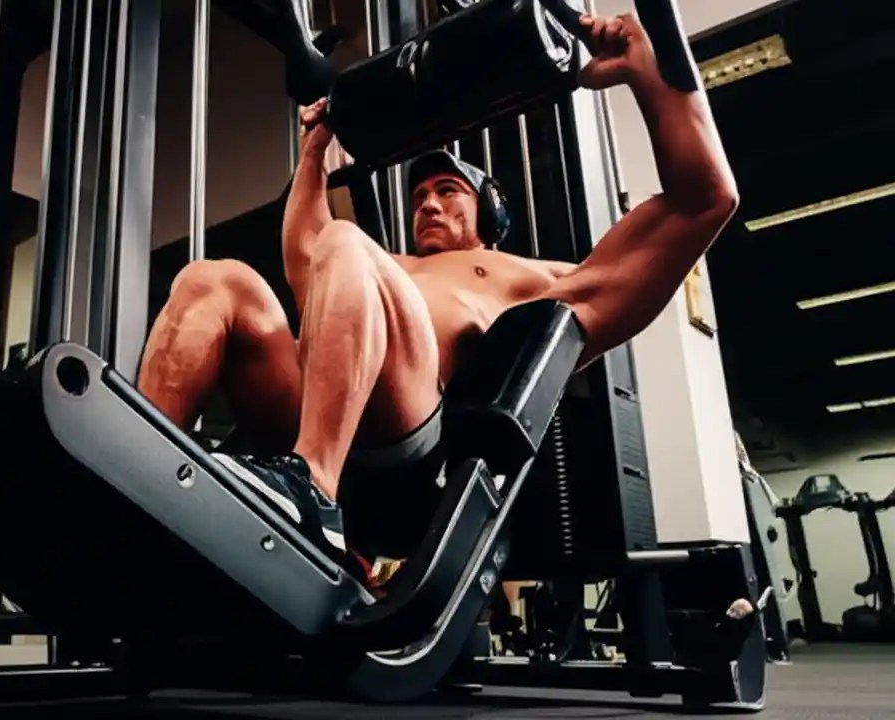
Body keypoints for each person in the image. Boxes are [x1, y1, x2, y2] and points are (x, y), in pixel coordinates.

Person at [136, 13, 739, 562]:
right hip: (309, 405)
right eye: (421, 194)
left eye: (449, 192)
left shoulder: (533, 277)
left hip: (403, 447)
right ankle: (136, 487)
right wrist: (316, 148)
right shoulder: (386, 263)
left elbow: (702, 203)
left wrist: (649, 77)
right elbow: (303, 252)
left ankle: (312, 494)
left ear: (491, 218)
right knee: (214, 278)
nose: (427, 202)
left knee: (346, 243)